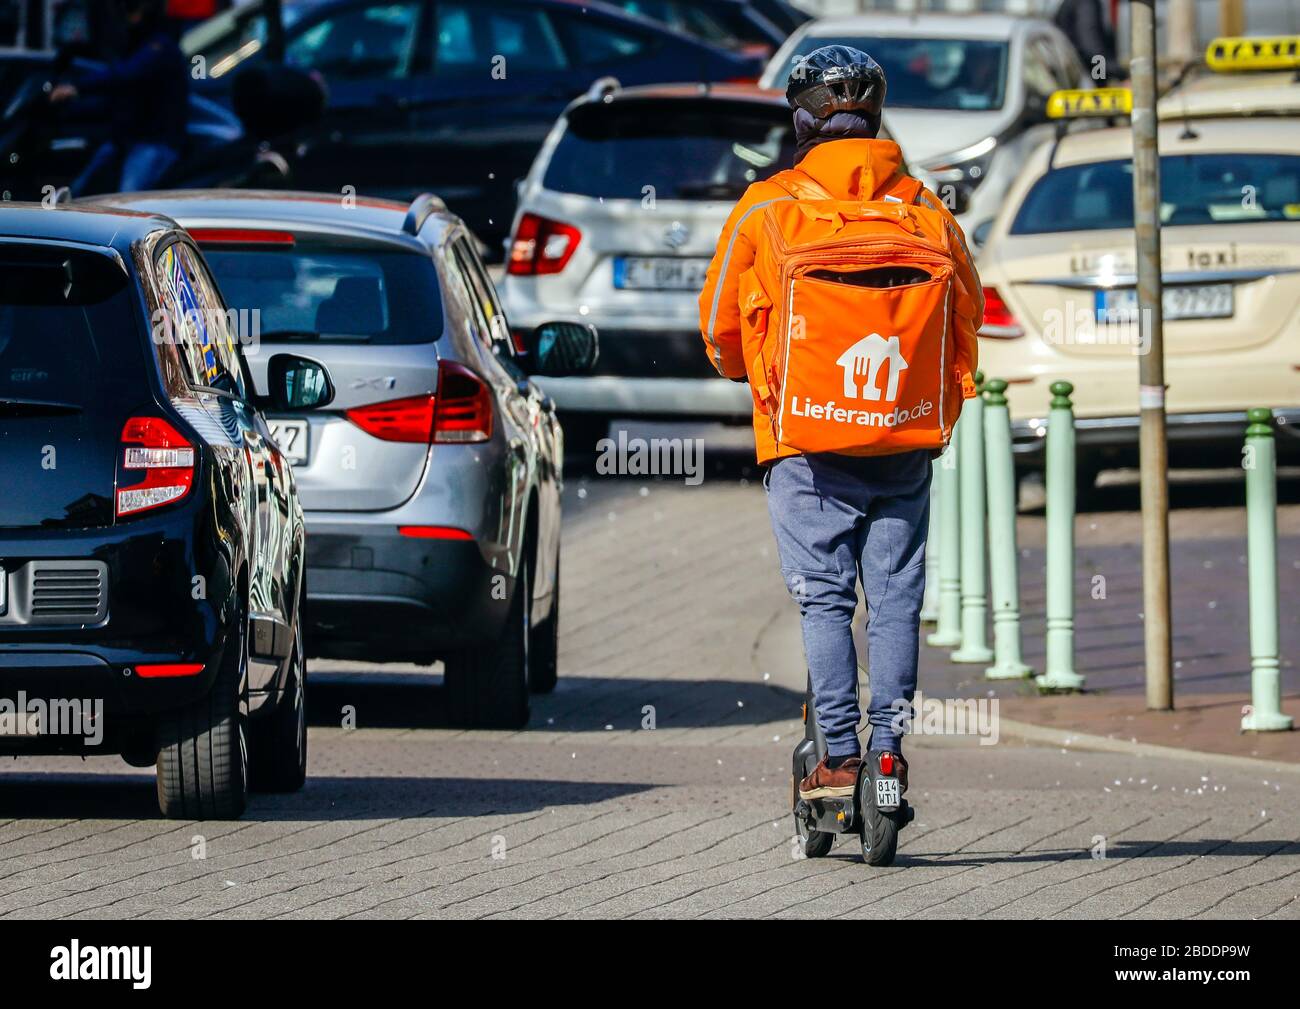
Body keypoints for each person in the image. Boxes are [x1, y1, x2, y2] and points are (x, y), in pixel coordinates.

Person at [697, 46, 982, 801]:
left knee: (825, 598)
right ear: (878, 120)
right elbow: (968, 320)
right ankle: (888, 751)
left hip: (805, 441)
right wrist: (936, 408)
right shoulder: (925, 208)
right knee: (893, 599)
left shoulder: (767, 206)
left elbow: (721, 325)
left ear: (800, 120)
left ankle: (839, 757)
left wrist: (753, 375)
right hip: (903, 438)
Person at [49, 0, 189, 195]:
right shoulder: (135, 46)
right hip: (128, 138)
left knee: (129, 197)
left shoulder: (159, 47)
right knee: (80, 189)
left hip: (152, 141)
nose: (130, 18)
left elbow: (125, 74)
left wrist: (77, 87)